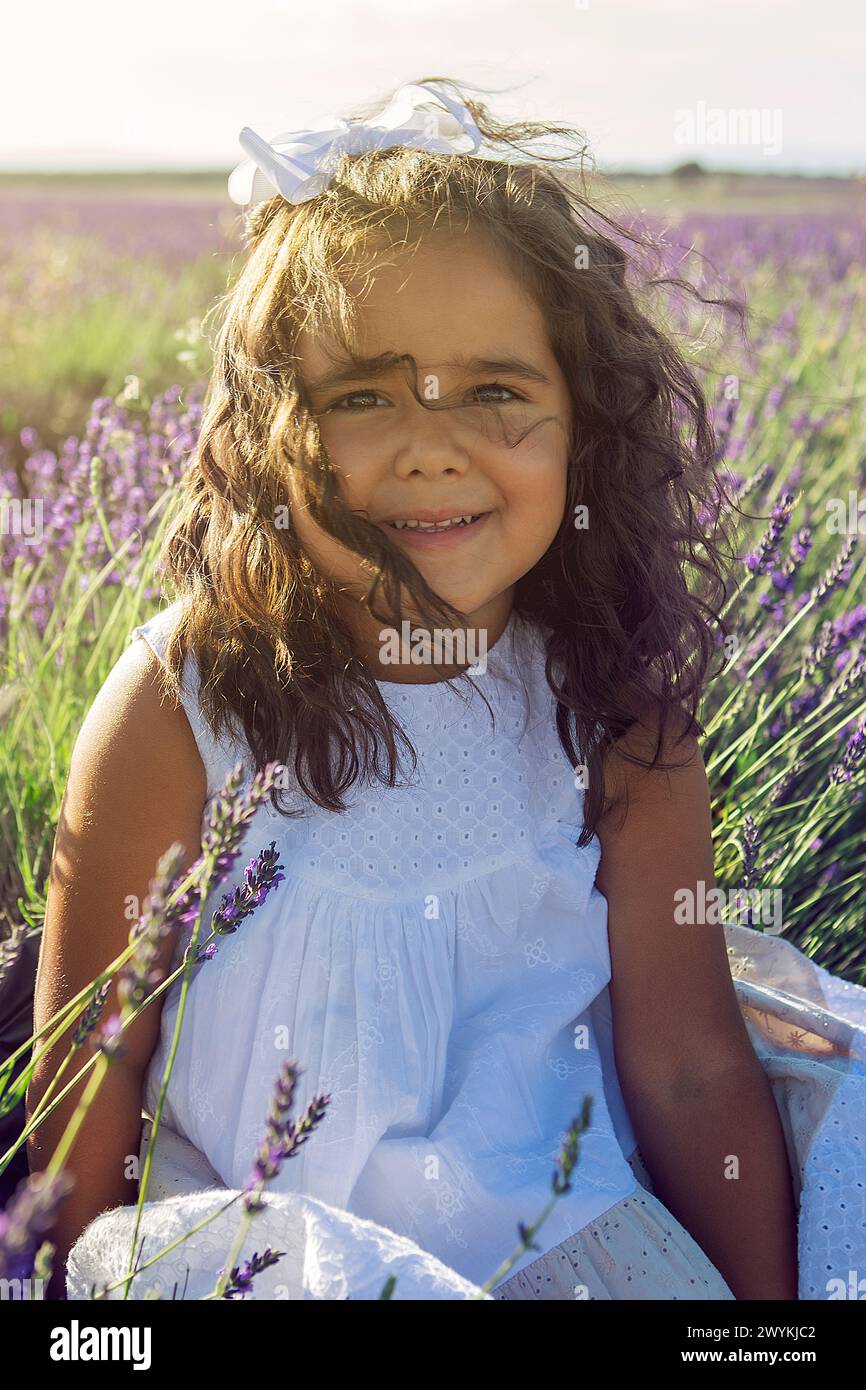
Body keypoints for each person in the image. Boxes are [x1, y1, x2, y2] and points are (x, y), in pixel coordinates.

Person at [27, 78, 866, 1301]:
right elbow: (85, 1091)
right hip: (280, 1260)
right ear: (269, 432)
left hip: (566, 1245)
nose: (430, 445)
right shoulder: (180, 705)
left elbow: (686, 1068)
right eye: (361, 394)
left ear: (582, 423)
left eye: (493, 390)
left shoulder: (614, 710)